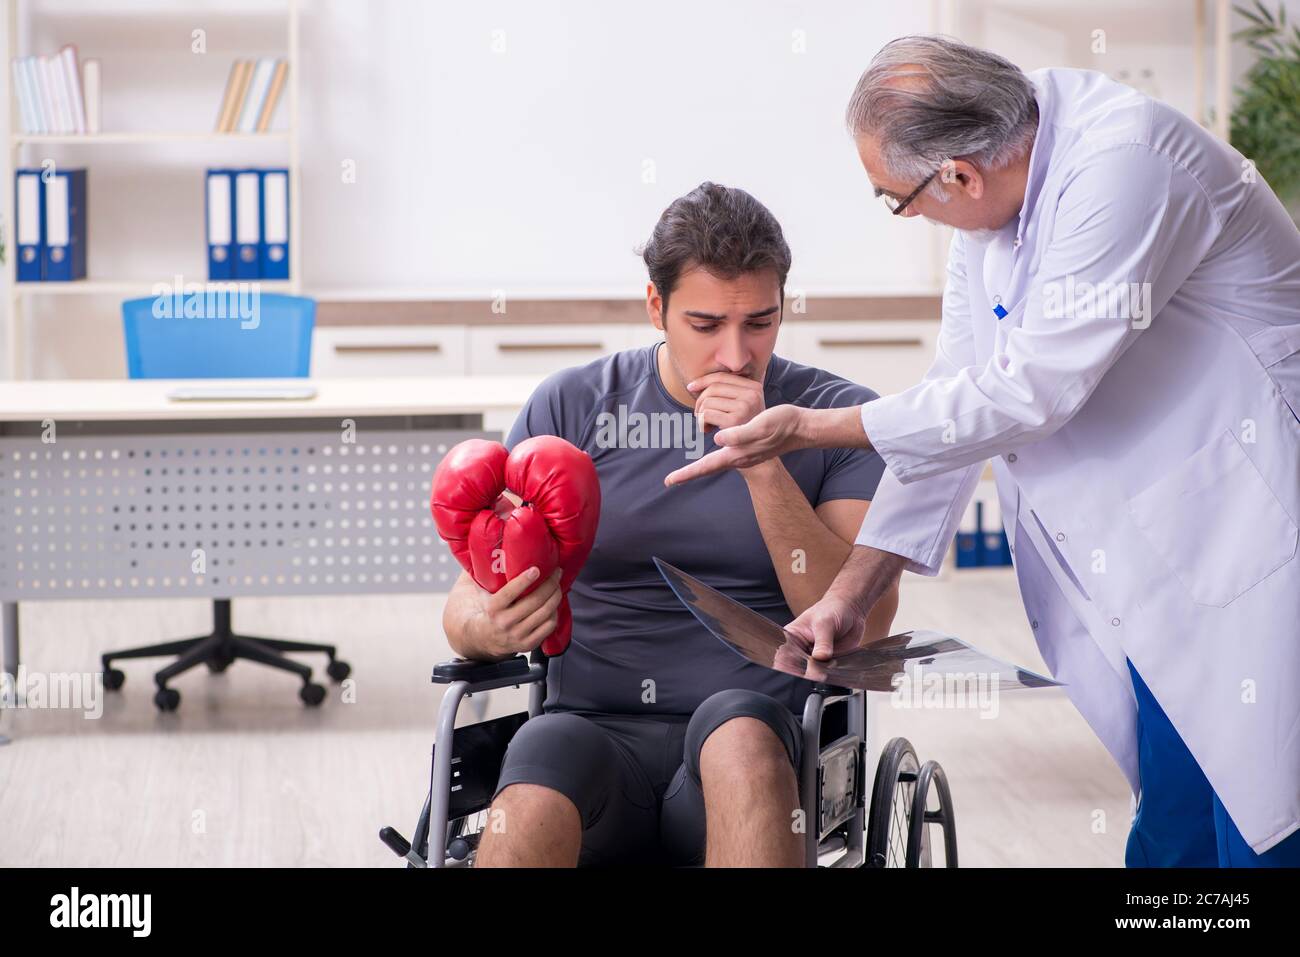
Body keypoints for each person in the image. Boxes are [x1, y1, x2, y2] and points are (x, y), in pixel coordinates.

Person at [667, 35, 1300, 867]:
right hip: (1164, 577)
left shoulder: (1126, 164)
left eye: (897, 199)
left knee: (1261, 835)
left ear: (958, 174)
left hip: (1255, 555)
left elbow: (1029, 392)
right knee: (1175, 841)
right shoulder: (996, 203)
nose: (909, 213)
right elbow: (955, 406)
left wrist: (808, 425)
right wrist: (853, 595)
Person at [442, 182, 899, 866]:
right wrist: (490, 625)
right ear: (656, 306)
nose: (737, 355)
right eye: (706, 324)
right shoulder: (573, 405)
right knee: (536, 767)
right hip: (590, 730)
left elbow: (865, 623)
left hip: (756, 736)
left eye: (760, 323)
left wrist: (761, 462)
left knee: (741, 737)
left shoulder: (837, 416)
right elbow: (463, 603)